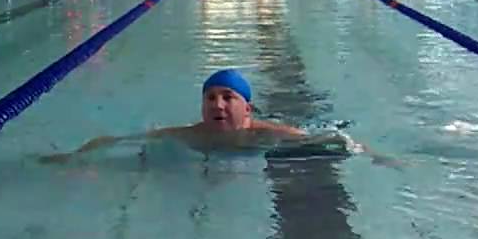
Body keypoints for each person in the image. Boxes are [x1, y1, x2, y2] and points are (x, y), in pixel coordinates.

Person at [42, 69, 306, 163]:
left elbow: (317, 140)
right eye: (210, 98)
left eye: (228, 97)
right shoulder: (192, 135)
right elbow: (116, 140)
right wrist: (75, 157)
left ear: (247, 108)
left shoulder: (269, 134)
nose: (217, 105)